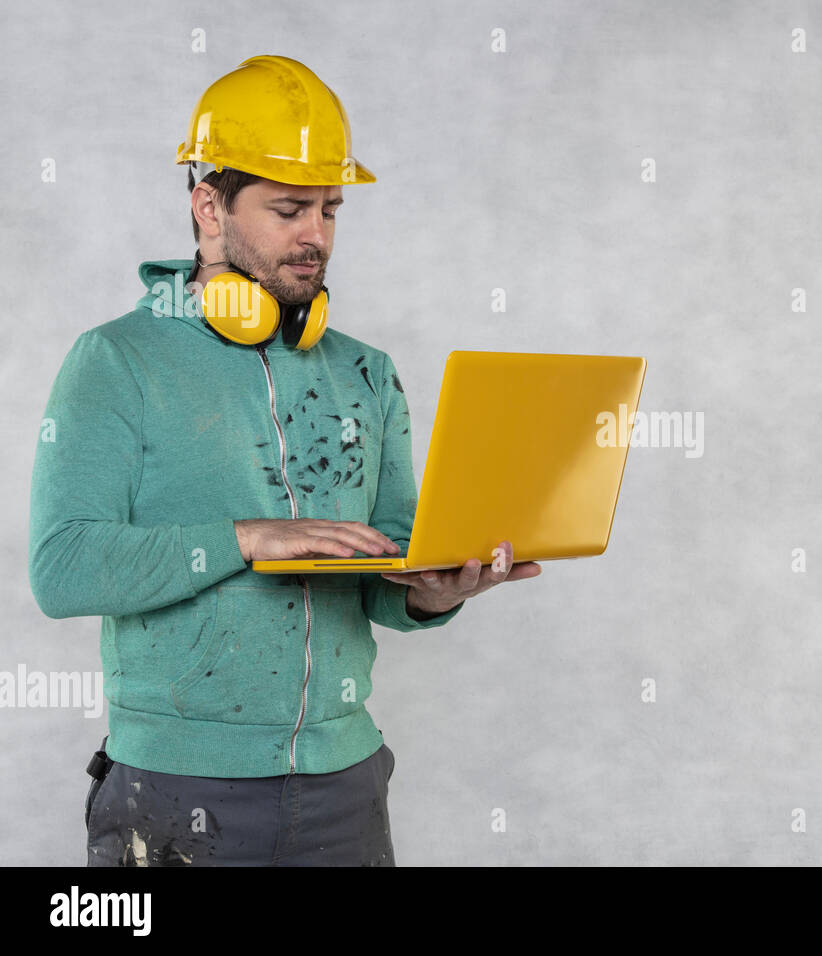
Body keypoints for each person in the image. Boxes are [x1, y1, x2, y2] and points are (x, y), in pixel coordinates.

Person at [27, 54, 541, 866]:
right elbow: (63, 568)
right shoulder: (115, 361)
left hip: (347, 785)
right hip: (175, 793)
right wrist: (246, 537)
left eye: (331, 210)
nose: (317, 236)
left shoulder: (366, 371)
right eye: (289, 209)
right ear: (208, 207)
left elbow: (387, 567)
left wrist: (435, 593)